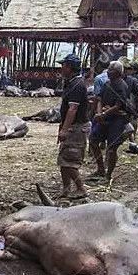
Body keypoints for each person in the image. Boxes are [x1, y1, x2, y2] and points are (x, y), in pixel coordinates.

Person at [55, 53, 91, 200]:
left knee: (70, 161)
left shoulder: (77, 85)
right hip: (71, 125)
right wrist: (62, 125)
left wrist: (65, 129)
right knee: (63, 159)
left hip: (76, 127)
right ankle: (66, 188)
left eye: (63, 65)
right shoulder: (71, 82)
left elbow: (73, 109)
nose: (61, 68)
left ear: (69, 67)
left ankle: (81, 188)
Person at [89, 61, 131, 184]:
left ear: (118, 73)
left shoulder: (121, 85)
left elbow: (118, 105)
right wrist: (99, 113)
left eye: (111, 69)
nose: (108, 71)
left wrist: (104, 114)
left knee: (111, 148)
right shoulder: (107, 83)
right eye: (108, 69)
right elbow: (100, 99)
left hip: (116, 120)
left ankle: (109, 175)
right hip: (104, 118)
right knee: (93, 141)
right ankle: (101, 168)